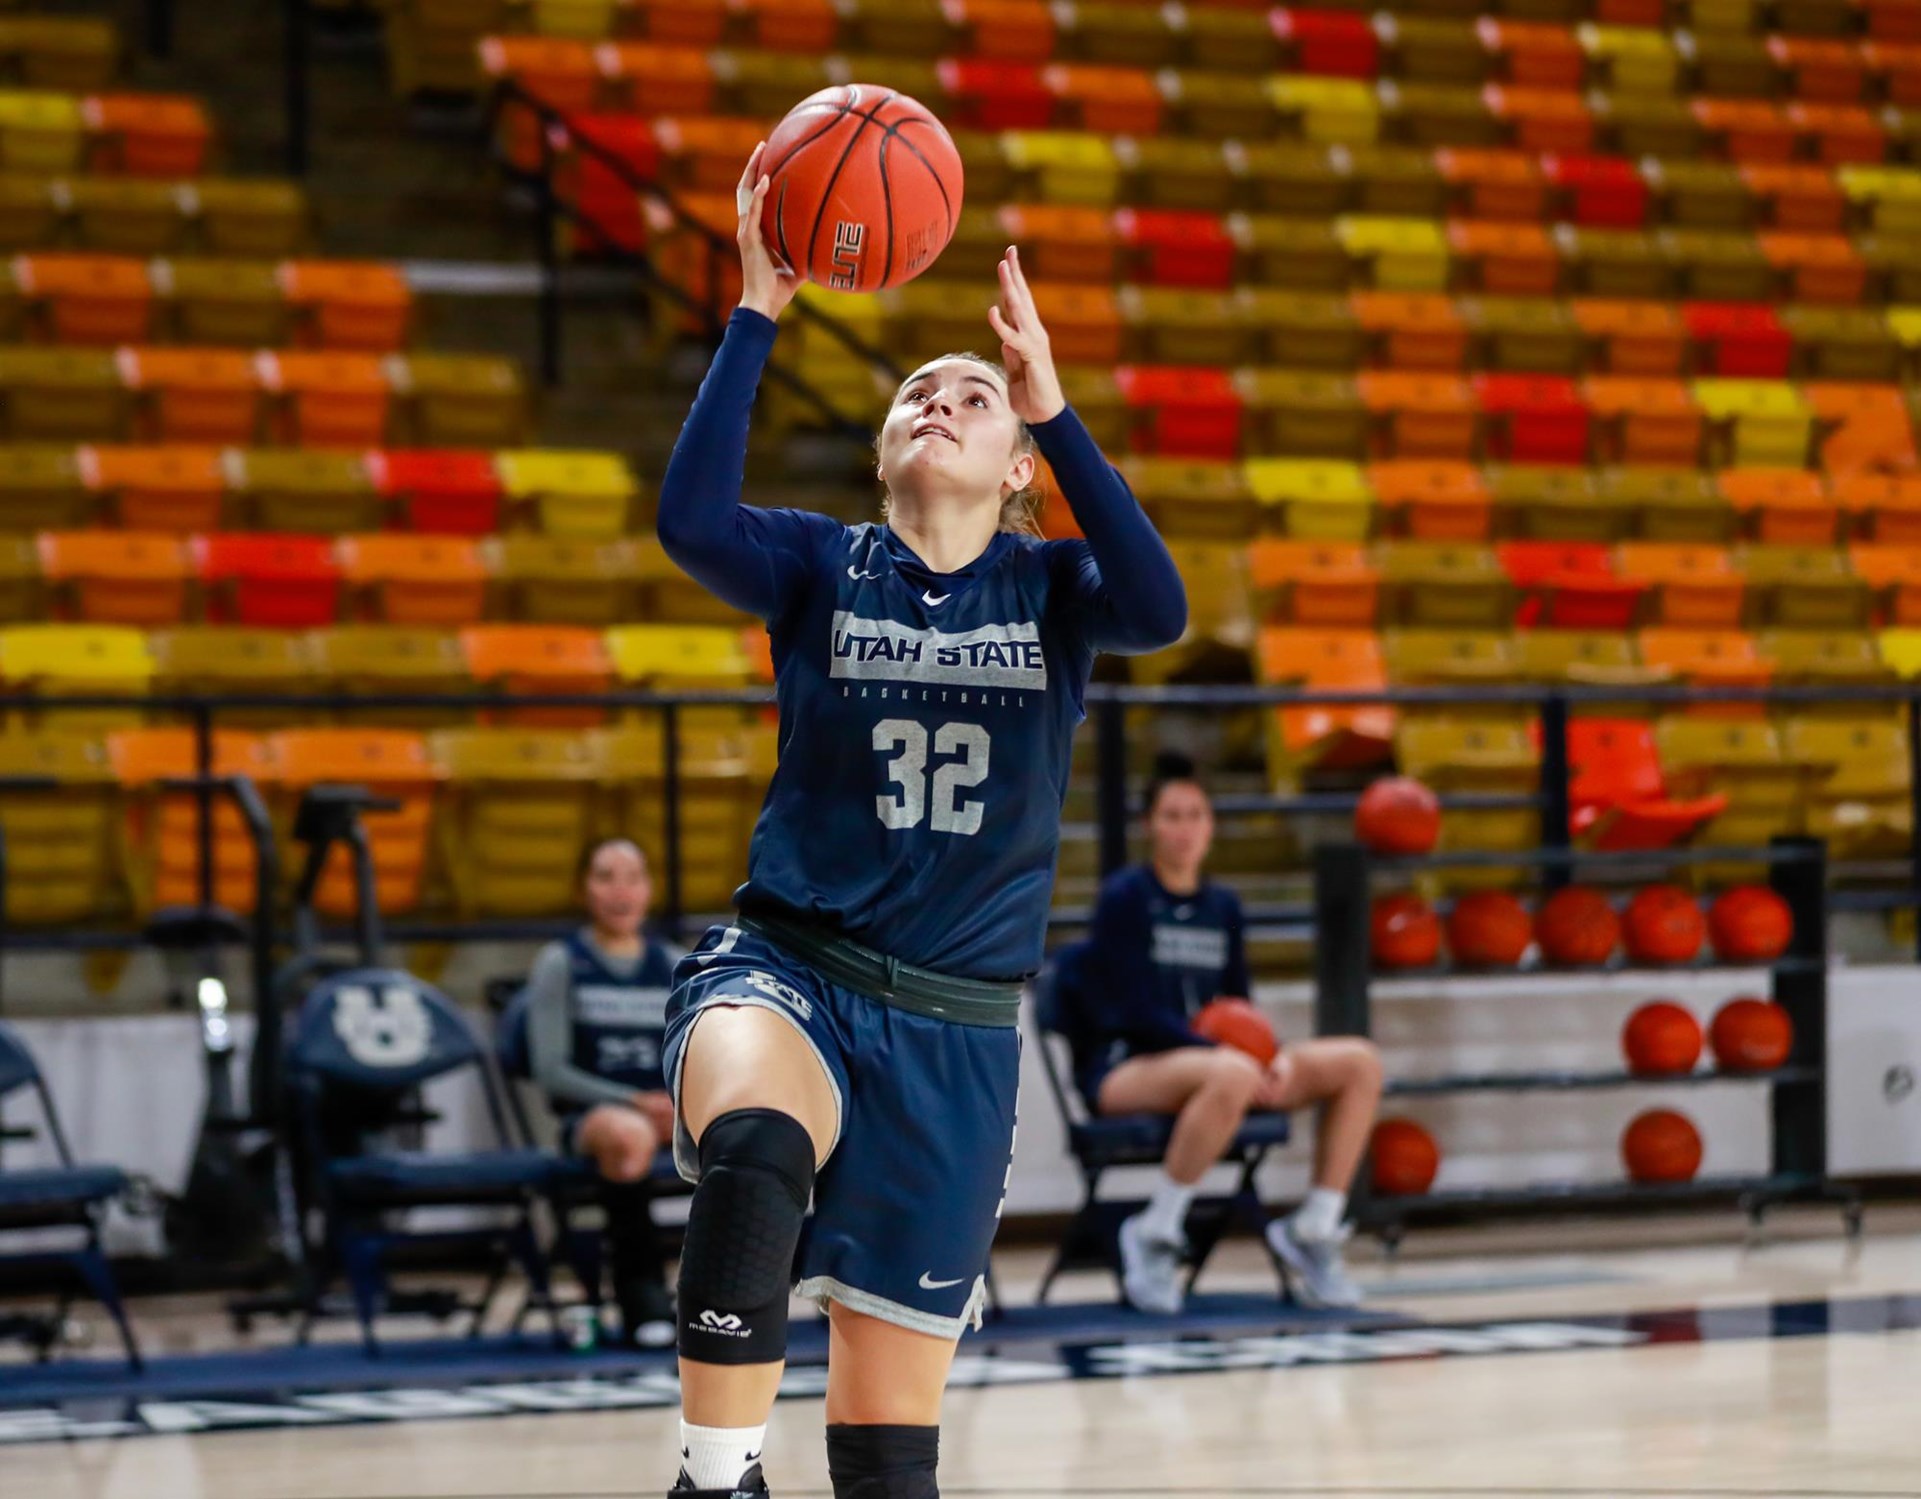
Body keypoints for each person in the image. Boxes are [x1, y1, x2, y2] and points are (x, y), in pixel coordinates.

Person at [649, 142, 1186, 1499]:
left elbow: (1161, 606)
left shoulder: (1055, 589)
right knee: (757, 1144)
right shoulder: (820, 564)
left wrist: (1057, 408)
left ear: (1015, 467)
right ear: (886, 448)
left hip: (955, 1024)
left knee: (888, 1462)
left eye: (973, 396)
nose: (940, 400)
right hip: (793, 966)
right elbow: (689, 518)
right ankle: (713, 1478)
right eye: (914, 391)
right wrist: (757, 308)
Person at [1083, 755, 1384, 1314]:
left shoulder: (1223, 906)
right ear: (1150, 825)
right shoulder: (1125, 897)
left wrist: (1267, 1058)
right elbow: (1134, 1010)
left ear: (1211, 824)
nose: (1185, 827)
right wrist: (1229, 1055)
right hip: (1130, 1065)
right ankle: (1154, 1229)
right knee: (1233, 1071)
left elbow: (1241, 1003)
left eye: (1195, 814)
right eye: (1171, 815)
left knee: (1358, 1061)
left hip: (1223, 1069)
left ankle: (1314, 1227)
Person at [524, 836, 682, 1347]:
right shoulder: (561, 963)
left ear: (649, 889)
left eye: (633, 877)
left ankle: (735, 1300)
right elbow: (550, 1071)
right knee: (629, 1133)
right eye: (605, 876)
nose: (621, 890)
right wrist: (634, 1101)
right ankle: (644, 1298)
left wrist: (681, 1103)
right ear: (583, 889)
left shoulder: (676, 965)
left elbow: (701, 1055)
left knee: (761, 1131)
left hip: (671, 1114)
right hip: (593, 1120)